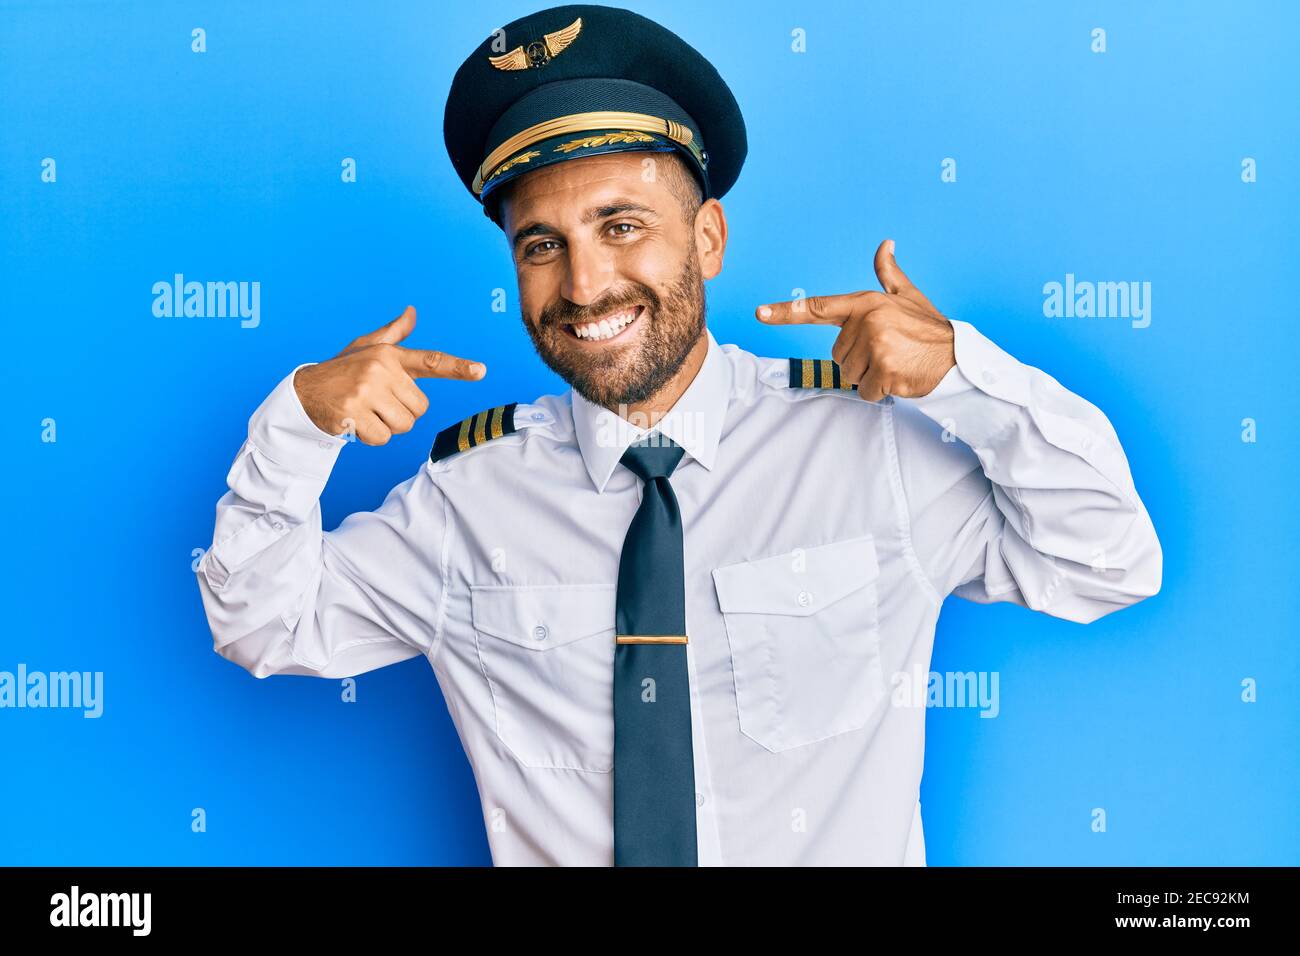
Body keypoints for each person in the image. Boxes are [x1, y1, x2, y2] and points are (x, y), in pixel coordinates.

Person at [195, 4, 1162, 866]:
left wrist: (962, 377)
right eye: (543, 245)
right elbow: (263, 623)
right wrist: (300, 424)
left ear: (707, 240)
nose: (582, 286)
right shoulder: (465, 501)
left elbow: (1106, 561)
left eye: (621, 226)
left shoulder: (871, 451)